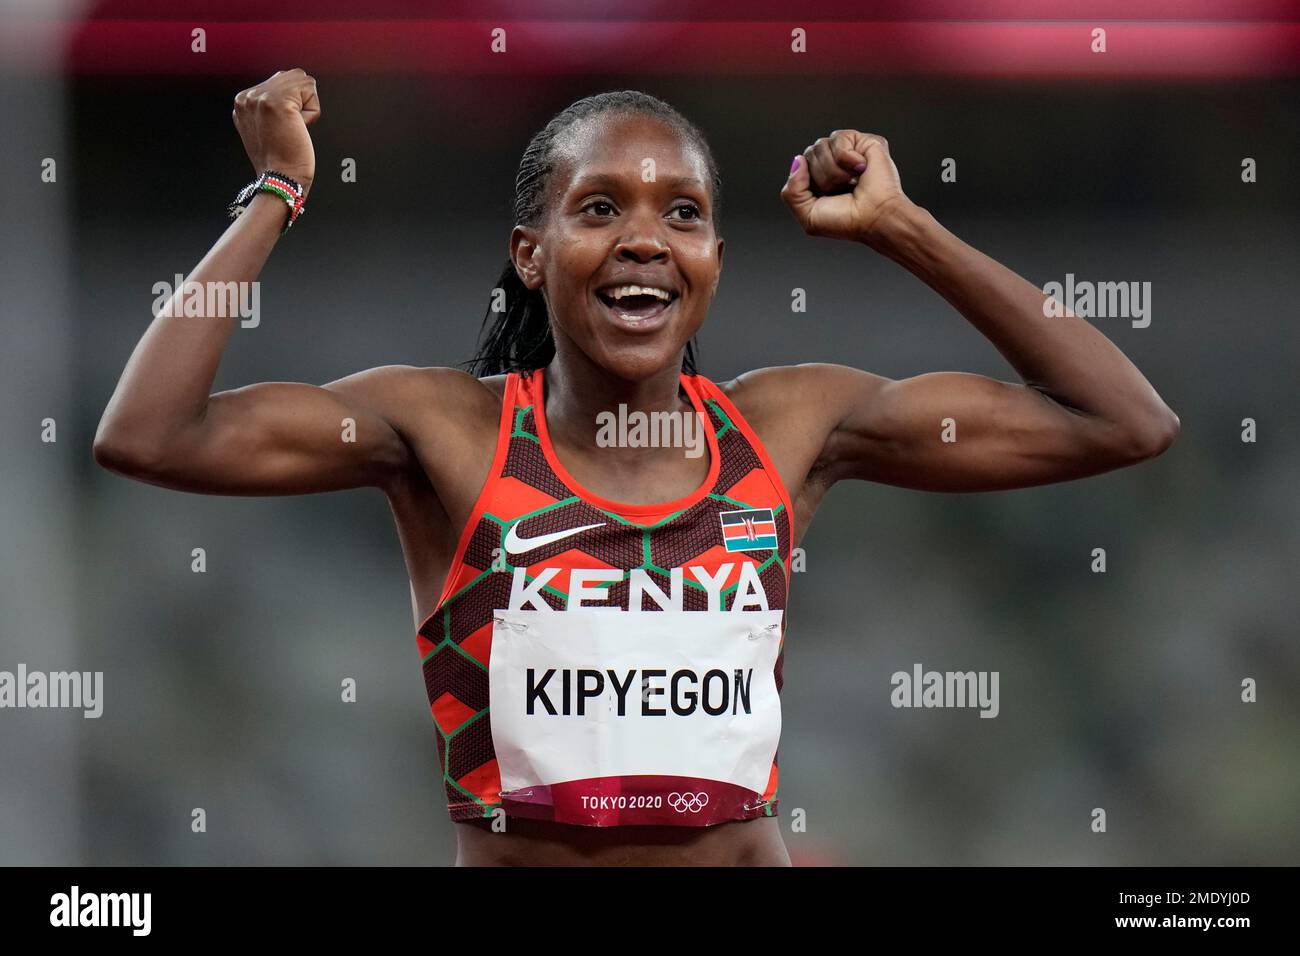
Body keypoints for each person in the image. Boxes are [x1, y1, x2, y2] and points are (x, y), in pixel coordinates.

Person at [94, 69, 1179, 866]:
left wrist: (902, 226)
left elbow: (1120, 420)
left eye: (684, 214)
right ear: (532, 253)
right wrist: (278, 190)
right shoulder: (446, 432)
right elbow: (148, 432)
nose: (645, 238)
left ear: (713, 261)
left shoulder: (788, 428)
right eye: (600, 207)